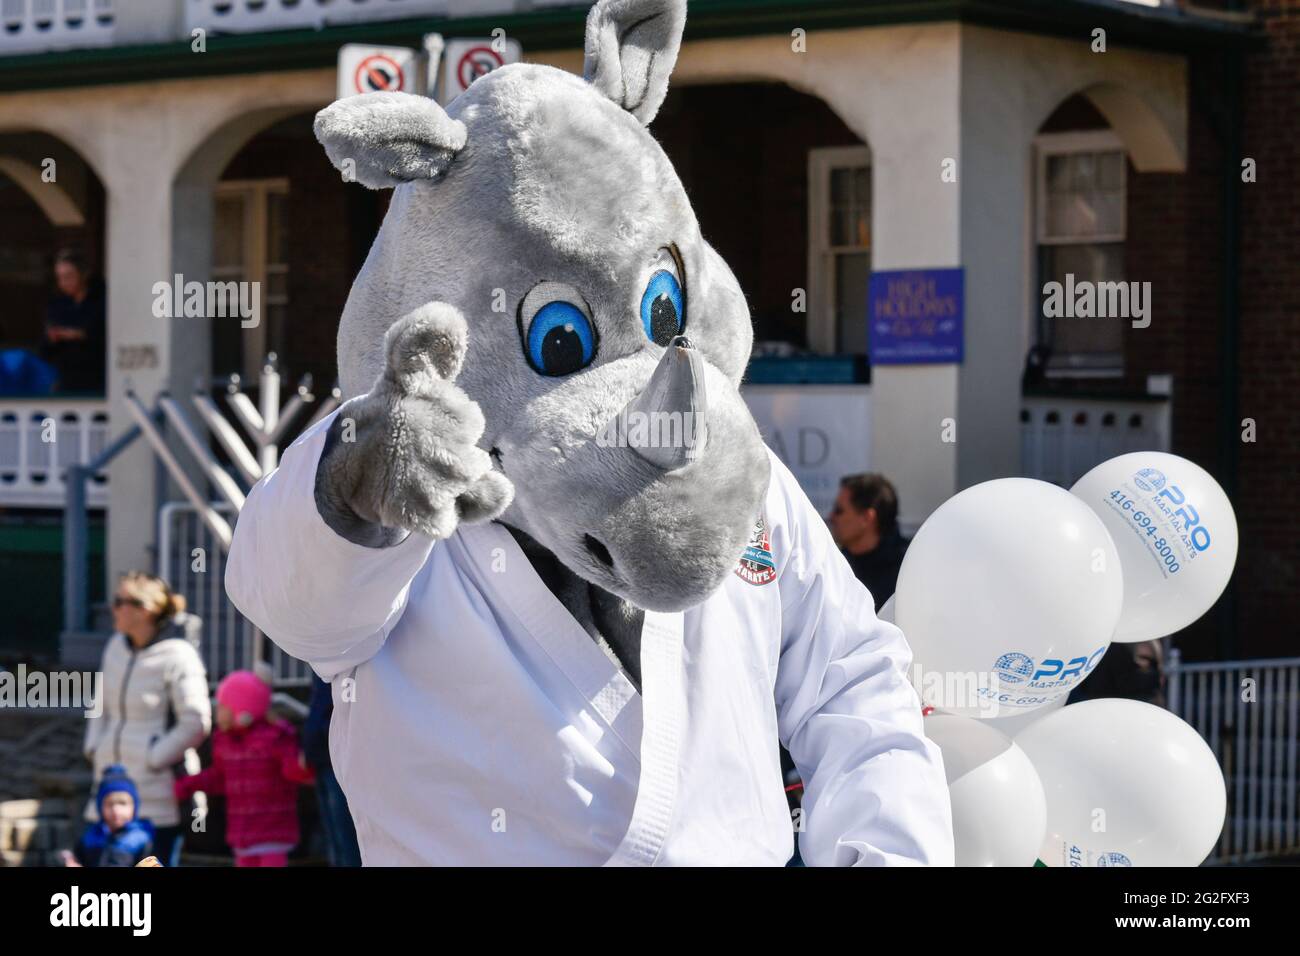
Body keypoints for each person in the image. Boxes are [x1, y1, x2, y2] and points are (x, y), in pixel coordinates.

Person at [83, 572, 211, 867]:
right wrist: (94, 747)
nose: (112, 609)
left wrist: (153, 757)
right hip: (108, 794)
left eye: (120, 602)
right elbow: (99, 703)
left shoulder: (179, 656)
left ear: (146, 609)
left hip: (157, 801)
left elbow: (196, 720)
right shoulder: (115, 646)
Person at [174, 670, 316, 867]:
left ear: (242, 710)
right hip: (242, 832)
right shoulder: (225, 741)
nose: (218, 713)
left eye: (224, 707)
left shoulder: (275, 737)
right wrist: (189, 784)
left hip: (272, 833)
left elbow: (292, 769)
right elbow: (220, 778)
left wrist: (304, 768)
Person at [828, 473, 910, 612]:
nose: (831, 517)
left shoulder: (908, 569)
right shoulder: (833, 564)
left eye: (839, 510)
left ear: (867, 518)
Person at [303, 674, 361, 867]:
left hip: (338, 759)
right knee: (334, 838)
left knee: (347, 839)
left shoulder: (345, 665)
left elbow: (348, 711)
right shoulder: (323, 667)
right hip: (322, 757)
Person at [41, 248, 106, 394]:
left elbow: (104, 336)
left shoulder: (102, 301)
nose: (64, 282)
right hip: (66, 380)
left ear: (84, 273)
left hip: (98, 380)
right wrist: (53, 337)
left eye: (69, 276)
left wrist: (78, 334)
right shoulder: (57, 306)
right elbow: (45, 350)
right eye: (60, 277)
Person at [64, 765, 155, 868]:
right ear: (100, 807)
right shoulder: (89, 837)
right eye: (109, 804)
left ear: (134, 806)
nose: (116, 810)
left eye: (122, 803)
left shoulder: (142, 839)